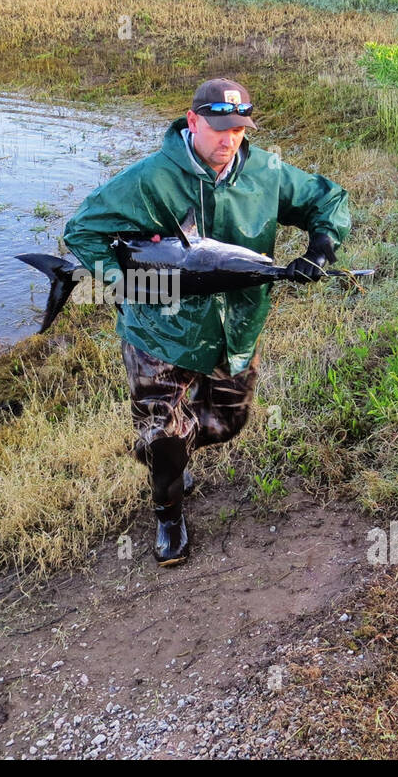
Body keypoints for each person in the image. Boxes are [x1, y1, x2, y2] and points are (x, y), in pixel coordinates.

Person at [62, 78, 351, 566]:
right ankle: (168, 510)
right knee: (164, 433)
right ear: (192, 121)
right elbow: (83, 229)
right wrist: (121, 282)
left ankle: (166, 452)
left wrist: (321, 248)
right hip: (161, 331)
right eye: (218, 129)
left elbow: (328, 200)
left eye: (238, 130)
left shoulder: (266, 172)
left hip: (236, 327)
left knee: (228, 422)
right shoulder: (150, 177)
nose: (228, 140)